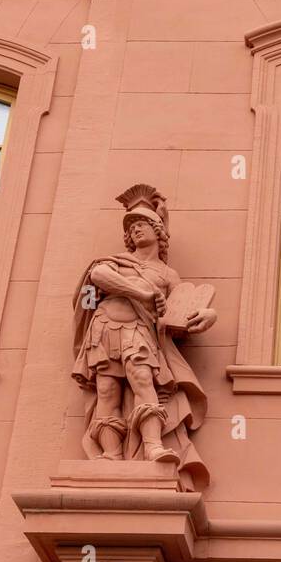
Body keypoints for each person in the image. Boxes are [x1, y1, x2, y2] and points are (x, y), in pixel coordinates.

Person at [71, 186, 216, 489]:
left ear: (158, 232)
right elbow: (97, 278)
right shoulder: (116, 261)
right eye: (131, 228)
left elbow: (181, 308)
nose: (135, 231)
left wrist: (207, 316)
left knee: (142, 380)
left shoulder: (168, 275)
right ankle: (111, 453)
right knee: (108, 391)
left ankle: (152, 446)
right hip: (105, 326)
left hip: (139, 331)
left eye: (142, 225)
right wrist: (142, 292)